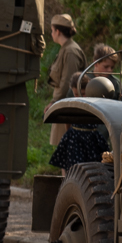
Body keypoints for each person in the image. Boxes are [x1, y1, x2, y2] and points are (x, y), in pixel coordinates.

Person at [49, 43, 120, 174]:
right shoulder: (83, 80)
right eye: (106, 67)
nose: (109, 71)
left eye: (112, 67)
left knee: (99, 169)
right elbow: (69, 106)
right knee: (74, 168)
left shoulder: (114, 83)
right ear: (96, 63)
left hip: (101, 135)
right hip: (79, 134)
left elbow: (120, 108)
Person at [45, 14, 84, 146]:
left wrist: (54, 102)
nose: (51, 33)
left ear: (57, 31)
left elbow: (68, 81)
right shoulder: (66, 49)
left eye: (52, 30)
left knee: (66, 151)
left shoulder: (71, 51)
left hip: (66, 106)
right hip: (62, 104)